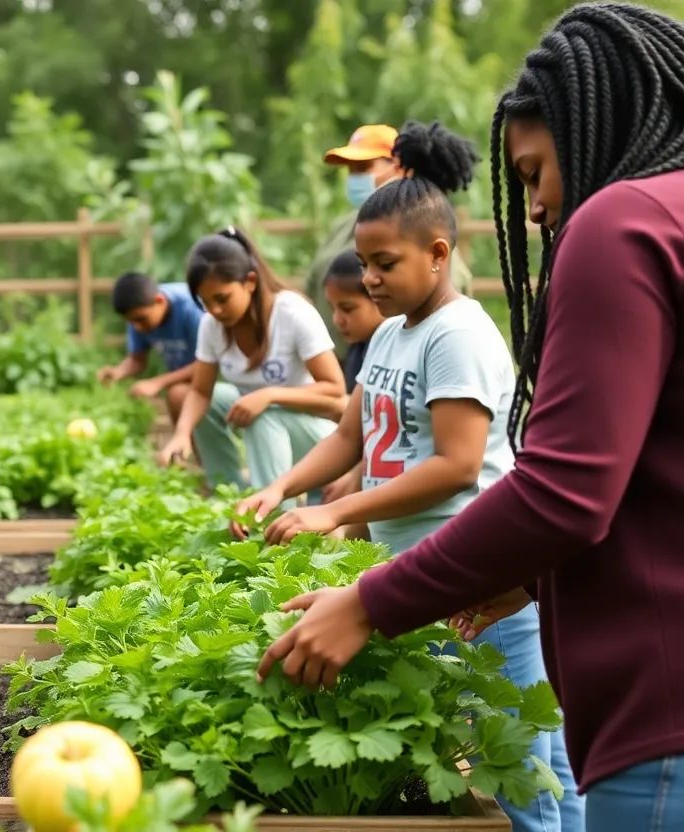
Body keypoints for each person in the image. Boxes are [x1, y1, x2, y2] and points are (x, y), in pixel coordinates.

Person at [250, 5, 684, 829]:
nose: (534, 209)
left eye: (532, 173)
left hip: (662, 716)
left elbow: (565, 492)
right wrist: (511, 575)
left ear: (599, 122)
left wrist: (372, 601)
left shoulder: (621, 222)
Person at [158, 227, 344, 502]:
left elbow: (335, 389)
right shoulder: (212, 325)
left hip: (319, 435)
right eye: (205, 302)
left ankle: (275, 517)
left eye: (222, 298)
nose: (214, 310)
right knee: (197, 398)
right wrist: (182, 434)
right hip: (266, 424)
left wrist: (269, 395)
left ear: (250, 282)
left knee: (263, 415)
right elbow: (200, 391)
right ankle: (226, 494)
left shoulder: (292, 312)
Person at [306, 124, 473, 357]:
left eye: (363, 167)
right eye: (351, 170)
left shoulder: (421, 232)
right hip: (346, 365)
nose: (355, 177)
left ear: (399, 168)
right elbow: (313, 287)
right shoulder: (342, 227)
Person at [319, 249, 386, 520]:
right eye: (333, 308)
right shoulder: (360, 348)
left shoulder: (385, 343)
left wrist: (355, 475)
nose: (337, 319)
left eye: (347, 308)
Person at [97, 271, 207, 427]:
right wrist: (118, 372)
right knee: (177, 394)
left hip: (218, 378)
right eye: (131, 322)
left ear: (159, 300)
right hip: (188, 381)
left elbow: (208, 365)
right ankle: (188, 448)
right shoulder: (139, 313)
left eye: (140, 319)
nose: (137, 327)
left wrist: (157, 383)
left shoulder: (191, 308)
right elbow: (137, 360)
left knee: (177, 395)